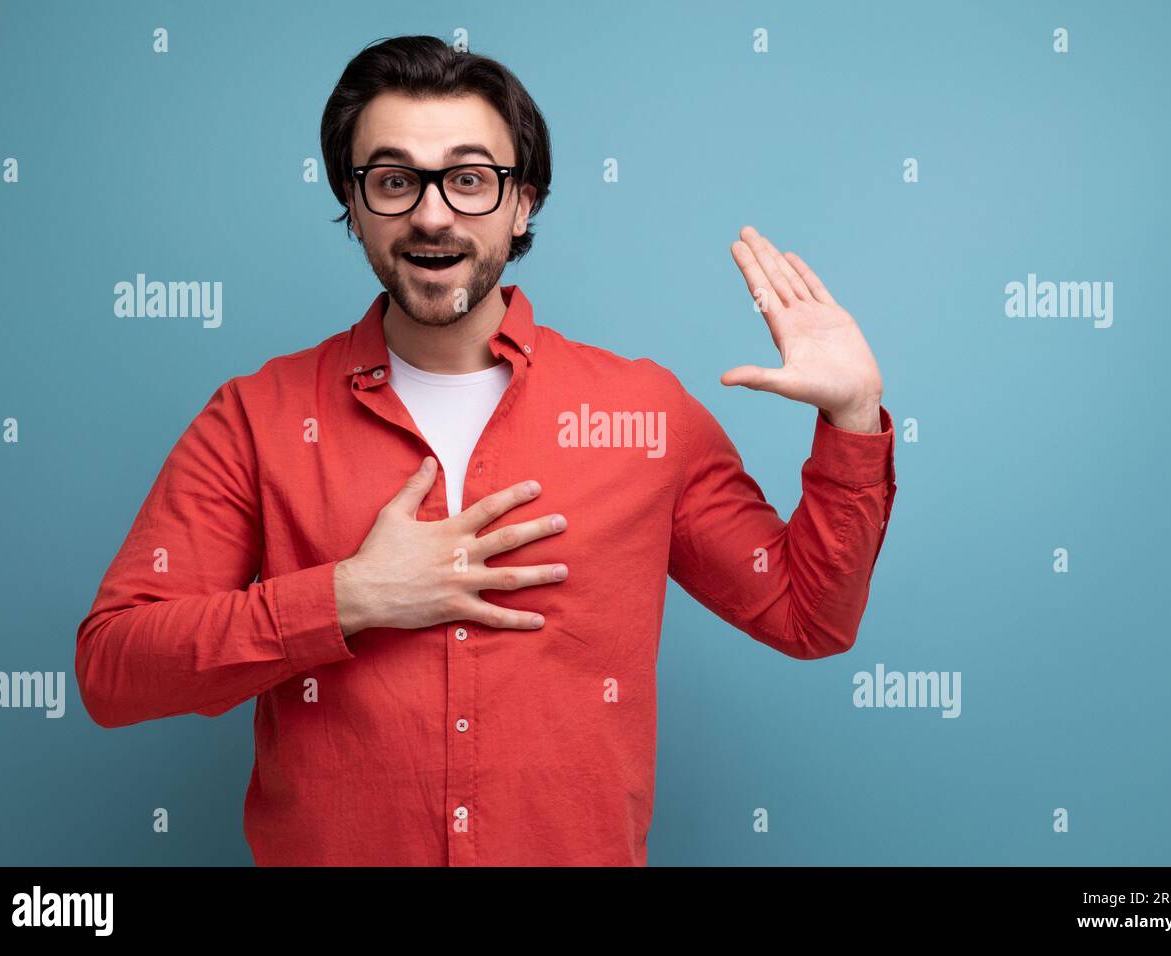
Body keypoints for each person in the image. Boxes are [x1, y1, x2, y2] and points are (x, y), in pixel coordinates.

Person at [75, 34, 898, 866]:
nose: (432, 214)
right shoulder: (256, 418)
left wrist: (854, 418)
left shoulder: (644, 414)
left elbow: (808, 618)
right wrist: (348, 598)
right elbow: (113, 673)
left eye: (470, 179)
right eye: (394, 181)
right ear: (352, 203)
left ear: (522, 202)